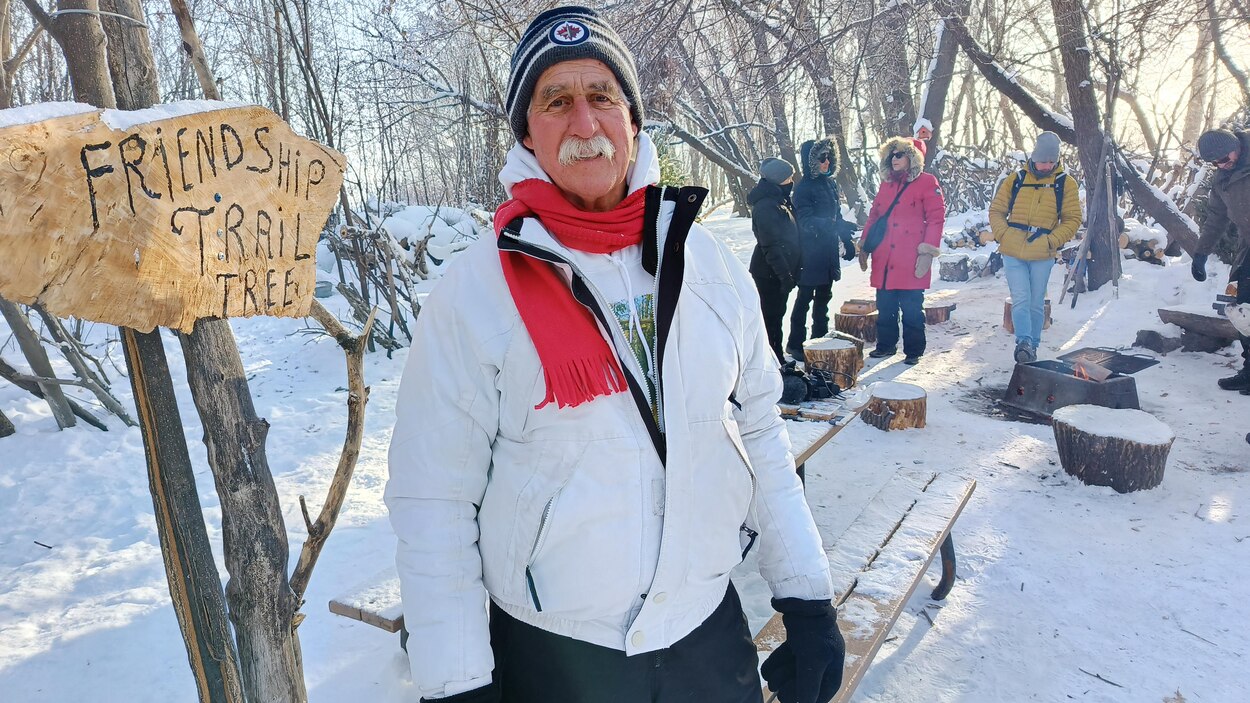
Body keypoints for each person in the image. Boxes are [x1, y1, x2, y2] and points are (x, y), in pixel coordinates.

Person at [386, 7, 843, 703]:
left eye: (602, 96)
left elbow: (758, 434)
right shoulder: (473, 293)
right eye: (556, 101)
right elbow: (434, 498)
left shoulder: (708, 267)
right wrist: (456, 682)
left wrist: (807, 602)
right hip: (557, 656)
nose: (584, 123)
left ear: (632, 117)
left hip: (706, 637)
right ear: (527, 132)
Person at [988, 131, 1083, 363]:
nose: (1046, 166)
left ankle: (1033, 346)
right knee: (1020, 298)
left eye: (1051, 162)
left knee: (1035, 301)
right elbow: (997, 210)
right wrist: (1004, 234)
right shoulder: (1017, 178)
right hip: (1013, 250)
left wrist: (1052, 241)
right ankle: (1023, 342)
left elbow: (1072, 219)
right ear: (1034, 157)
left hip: (1042, 251)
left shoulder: (1065, 184)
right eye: (1042, 161)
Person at [860, 136, 945, 365]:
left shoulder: (927, 182)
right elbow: (875, 216)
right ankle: (886, 346)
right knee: (885, 307)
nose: (894, 159)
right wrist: (864, 246)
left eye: (899, 154)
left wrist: (927, 251)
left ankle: (914, 350)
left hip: (911, 258)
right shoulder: (887, 184)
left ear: (912, 157)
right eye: (891, 155)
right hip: (885, 257)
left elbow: (936, 218)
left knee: (911, 310)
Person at [1190, 127, 1250, 398]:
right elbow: (1216, 218)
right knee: (1242, 313)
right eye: (1215, 163)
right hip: (1247, 250)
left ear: (1235, 145)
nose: (1222, 165)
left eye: (1225, 159)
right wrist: (1200, 254)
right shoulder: (1222, 179)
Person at [786, 137, 857, 361]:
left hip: (826, 251)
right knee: (804, 298)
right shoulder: (803, 188)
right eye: (822, 158)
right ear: (811, 161)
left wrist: (845, 238)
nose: (827, 161)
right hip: (809, 253)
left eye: (829, 156)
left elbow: (835, 217)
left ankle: (819, 341)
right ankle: (796, 344)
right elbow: (805, 221)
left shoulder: (830, 184)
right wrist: (833, 224)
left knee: (824, 298)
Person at [749, 157, 801, 362]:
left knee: (777, 317)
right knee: (770, 321)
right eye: (789, 177)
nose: (792, 181)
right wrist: (785, 275)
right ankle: (772, 361)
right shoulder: (766, 206)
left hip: (779, 272)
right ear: (778, 180)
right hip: (769, 274)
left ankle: (775, 358)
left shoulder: (780, 200)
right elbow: (770, 244)